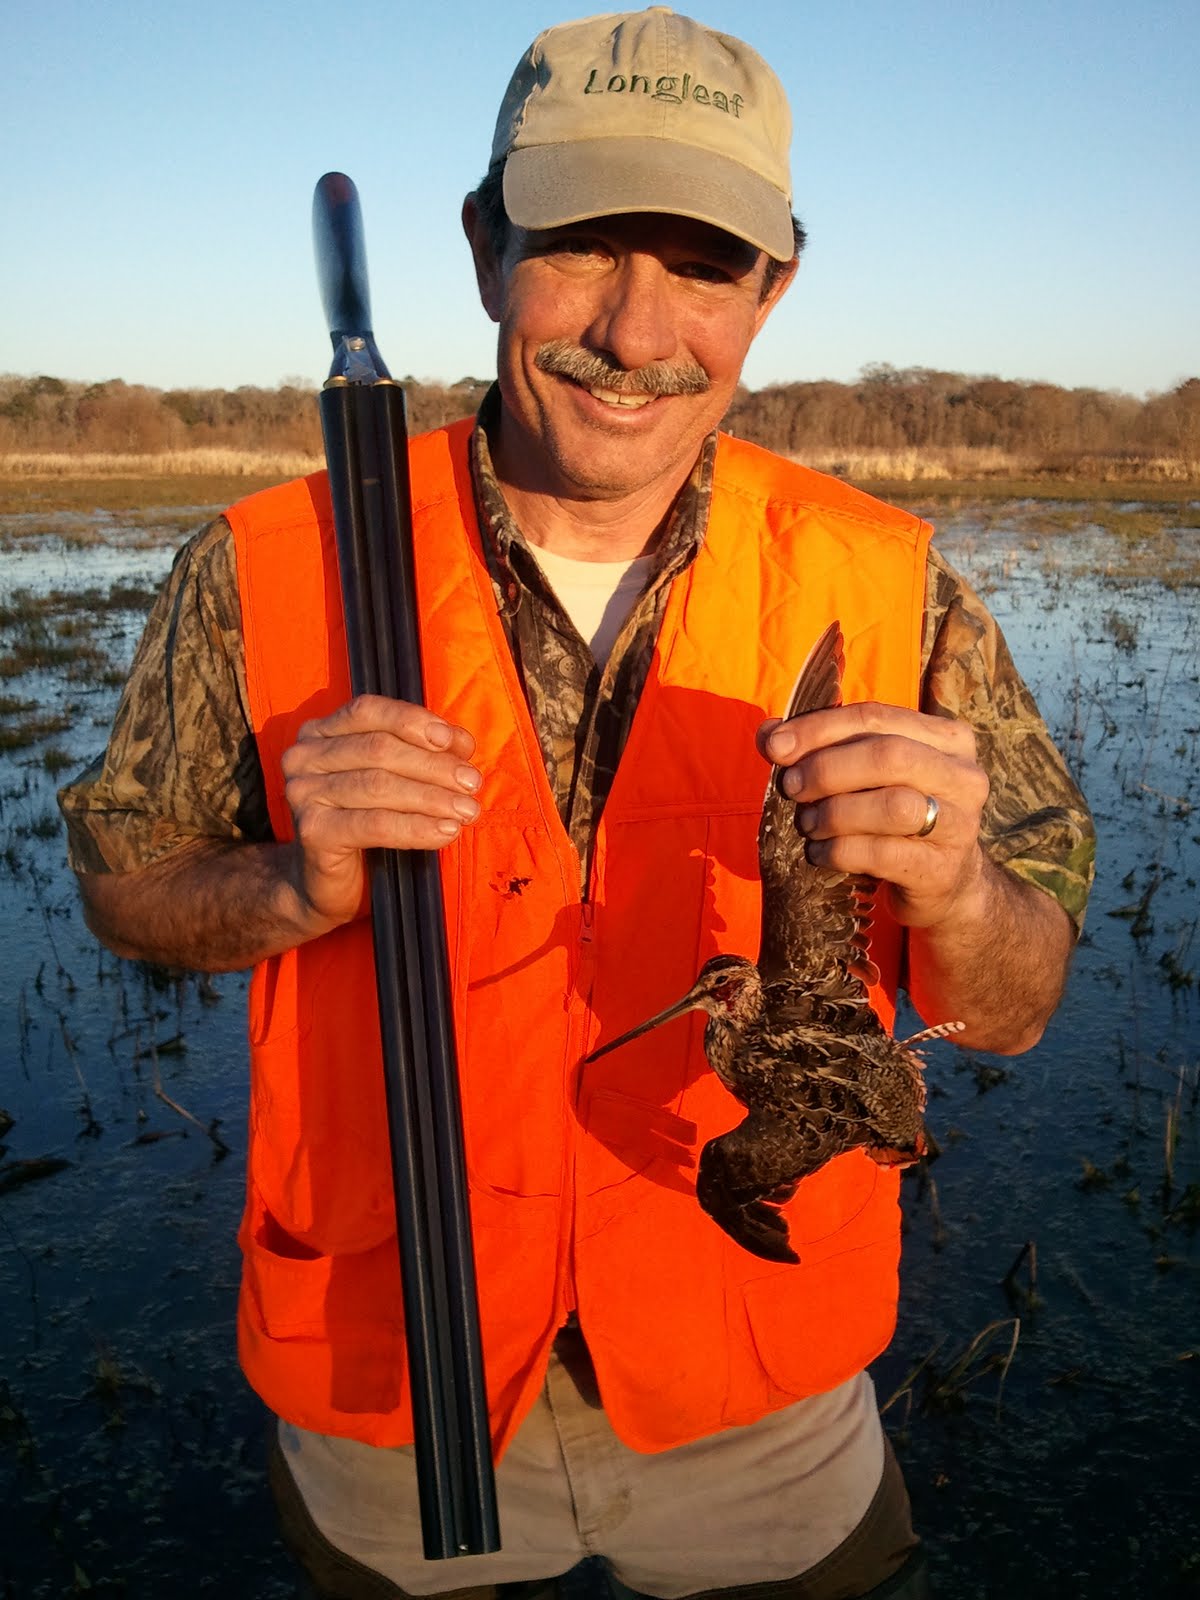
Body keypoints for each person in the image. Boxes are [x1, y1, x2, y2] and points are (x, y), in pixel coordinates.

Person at [59, 8, 1094, 1599]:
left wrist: (958, 897)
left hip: (761, 1393)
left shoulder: (894, 584)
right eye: (584, 247)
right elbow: (127, 883)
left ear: (777, 288)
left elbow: (1017, 1008)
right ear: (484, 247)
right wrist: (286, 887)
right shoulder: (267, 561)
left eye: (703, 263)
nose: (635, 327)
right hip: (389, 1372)